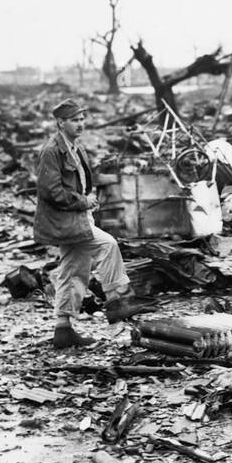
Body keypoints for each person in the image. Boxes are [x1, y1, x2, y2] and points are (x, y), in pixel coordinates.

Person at [34, 99, 149, 348]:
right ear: (60, 122)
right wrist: (83, 201)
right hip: (66, 220)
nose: (80, 124)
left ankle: (63, 329)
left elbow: (85, 180)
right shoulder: (51, 151)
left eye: (82, 119)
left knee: (74, 269)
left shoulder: (76, 147)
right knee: (108, 245)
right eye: (74, 120)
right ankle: (117, 301)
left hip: (78, 217)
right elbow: (50, 191)